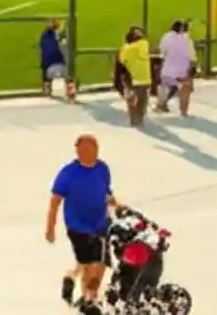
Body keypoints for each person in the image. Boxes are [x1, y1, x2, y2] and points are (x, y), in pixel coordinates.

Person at [47, 134, 117, 308]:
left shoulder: (102, 169)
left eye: (92, 149)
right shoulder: (68, 173)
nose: (87, 153)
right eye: (83, 150)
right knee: (88, 265)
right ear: (77, 151)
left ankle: (83, 291)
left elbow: (106, 191)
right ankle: (88, 299)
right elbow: (55, 200)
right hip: (78, 227)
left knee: (99, 264)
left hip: (101, 224)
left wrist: (114, 203)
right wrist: (50, 227)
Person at [157, 20, 194, 116]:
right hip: (183, 69)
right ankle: (183, 112)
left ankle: (161, 104)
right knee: (185, 90)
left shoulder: (167, 36)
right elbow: (191, 55)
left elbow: (162, 50)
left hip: (169, 69)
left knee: (167, 86)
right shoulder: (187, 39)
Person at [118, 26, 152, 127]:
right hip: (144, 78)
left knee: (131, 99)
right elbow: (143, 39)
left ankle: (134, 119)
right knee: (142, 100)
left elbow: (122, 60)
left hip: (132, 78)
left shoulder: (126, 49)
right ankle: (139, 119)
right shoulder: (144, 45)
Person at [40, 19, 72, 100]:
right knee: (70, 62)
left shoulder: (44, 36)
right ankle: (70, 89)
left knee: (44, 59)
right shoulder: (61, 34)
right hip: (62, 69)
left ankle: (46, 85)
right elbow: (65, 51)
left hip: (48, 72)